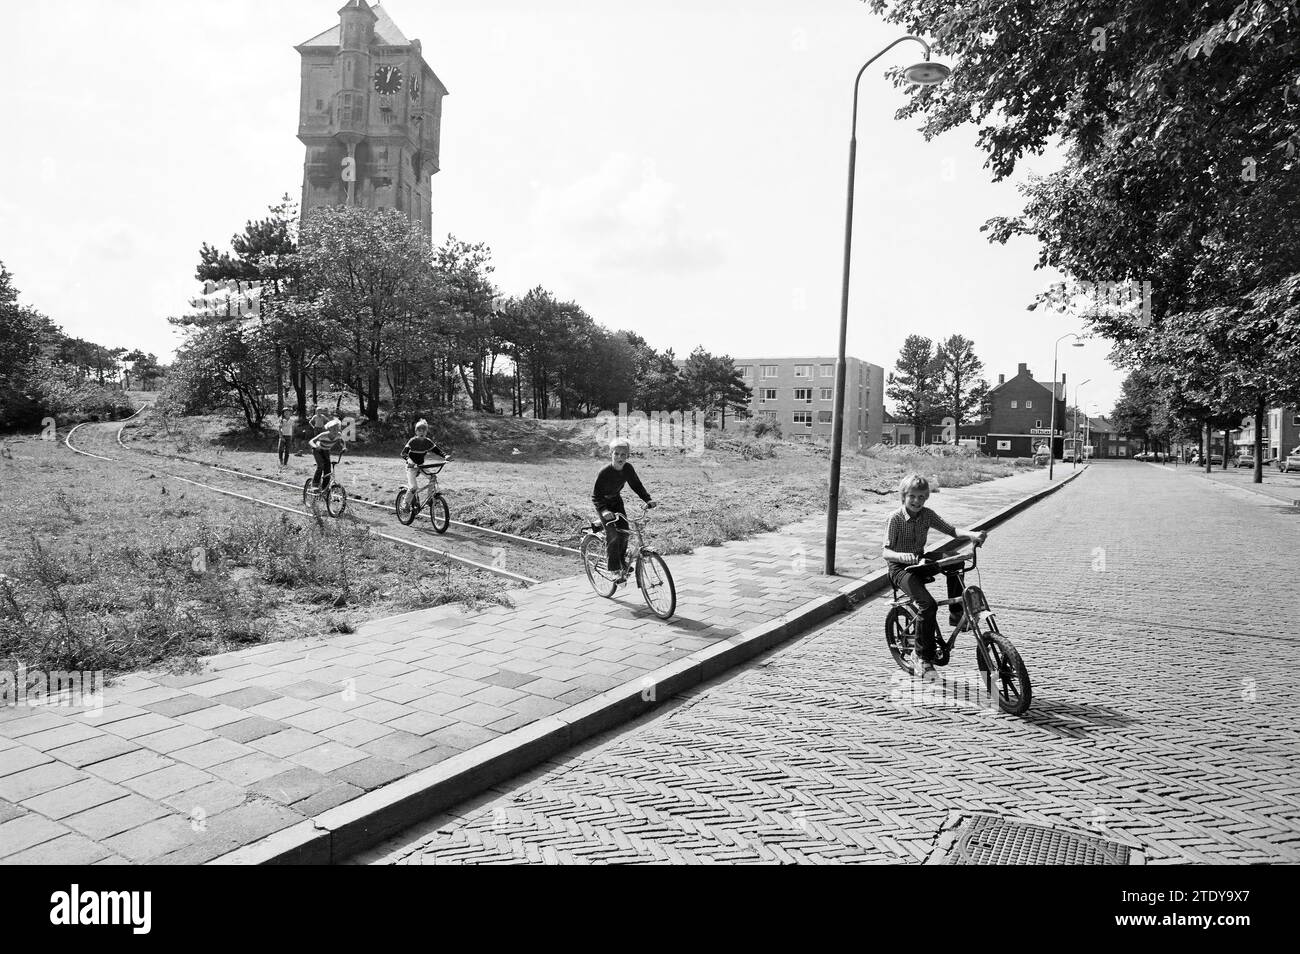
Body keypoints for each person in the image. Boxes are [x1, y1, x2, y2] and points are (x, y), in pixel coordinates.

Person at [882, 473, 986, 680]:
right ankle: (921, 656)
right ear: (904, 496)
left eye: (921, 497)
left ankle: (956, 613)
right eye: (912, 496)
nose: (917, 501)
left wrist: (972, 534)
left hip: (920, 561)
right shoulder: (895, 518)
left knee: (956, 559)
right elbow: (885, 552)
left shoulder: (927, 515)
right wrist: (902, 556)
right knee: (928, 605)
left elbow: (951, 530)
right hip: (900, 568)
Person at [592, 437, 656, 583]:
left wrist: (648, 499)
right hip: (603, 504)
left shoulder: (628, 468)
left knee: (625, 532)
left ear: (628, 456)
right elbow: (595, 496)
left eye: (623, 455)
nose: (620, 457)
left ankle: (621, 562)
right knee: (613, 535)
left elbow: (636, 485)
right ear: (611, 454)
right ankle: (614, 569)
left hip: (616, 501)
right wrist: (603, 511)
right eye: (617, 454)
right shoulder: (604, 472)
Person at [401, 419, 450, 496]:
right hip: (411, 467)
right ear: (416, 432)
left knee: (433, 478)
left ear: (426, 432)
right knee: (413, 488)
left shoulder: (428, 442)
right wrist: (409, 461)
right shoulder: (412, 441)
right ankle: (405, 505)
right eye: (419, 430)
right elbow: (403, 453)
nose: (422, 432)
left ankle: (430, 498)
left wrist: (445, 456)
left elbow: (437, 450)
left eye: (424, 431)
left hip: (421, 465)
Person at [308, 418, 347, 492]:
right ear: (329, 429)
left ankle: (324, 489)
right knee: (320, 466)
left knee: (328, 470)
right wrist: (316, 446)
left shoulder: (338, 435)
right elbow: (311, 441)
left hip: (326, 451)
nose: (335, 430)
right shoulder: (323, 435)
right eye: (333, 429)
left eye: (337, 428)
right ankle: (314, 485)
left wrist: (344, 447)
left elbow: (342, 442)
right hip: (317, 450)